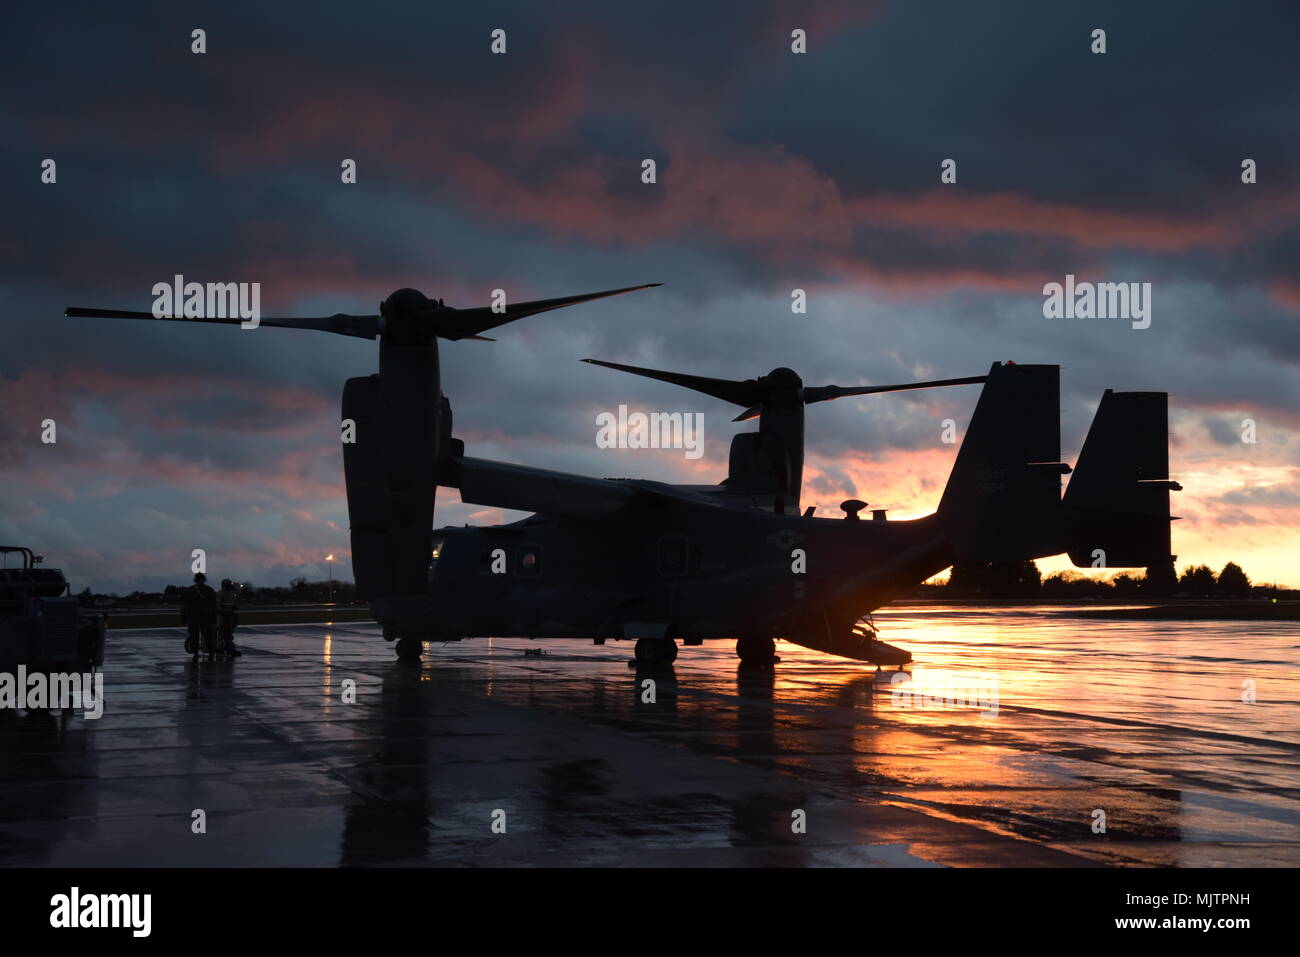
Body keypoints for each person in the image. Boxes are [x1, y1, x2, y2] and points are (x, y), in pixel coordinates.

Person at [182, 572, 218, 659]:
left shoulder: (191, 590)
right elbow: (213, 604)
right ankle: (209, 651)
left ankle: (197, 652)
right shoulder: (209, 590)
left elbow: (185, 605)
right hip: (202, 616)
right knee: (206, 635)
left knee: (197, 635)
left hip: (195, 616)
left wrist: (184, 616)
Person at [217, 579, 242, 657]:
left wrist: (235, 607)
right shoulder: (220, 594)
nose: (229, 587)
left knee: (229, 632)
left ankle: (229, 647)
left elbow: (235, 604)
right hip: (222, 615)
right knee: (222, 632)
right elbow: (217, 605)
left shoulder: (232, 594)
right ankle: (221, 646)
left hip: (230, 615)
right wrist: (222, 610)